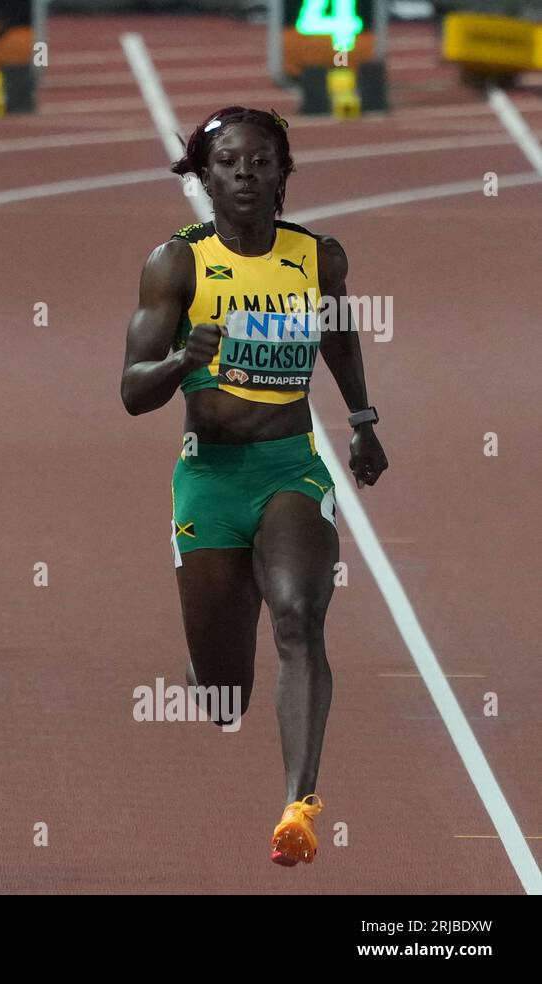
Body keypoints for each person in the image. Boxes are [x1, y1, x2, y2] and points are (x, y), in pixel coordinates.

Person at [120, 107, 388, 865]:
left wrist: (362, 419)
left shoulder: (318, 257)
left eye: (261, 162)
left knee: (300, 617)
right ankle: (212, 665)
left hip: (289, 467)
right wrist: (180, 361)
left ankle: (298, 806)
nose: (245, 175)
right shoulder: (176, 264)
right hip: (208, 476)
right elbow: (132, 393)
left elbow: (337, 328)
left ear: (282, 174)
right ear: (204, 178)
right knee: (222, 698)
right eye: (229, 163)